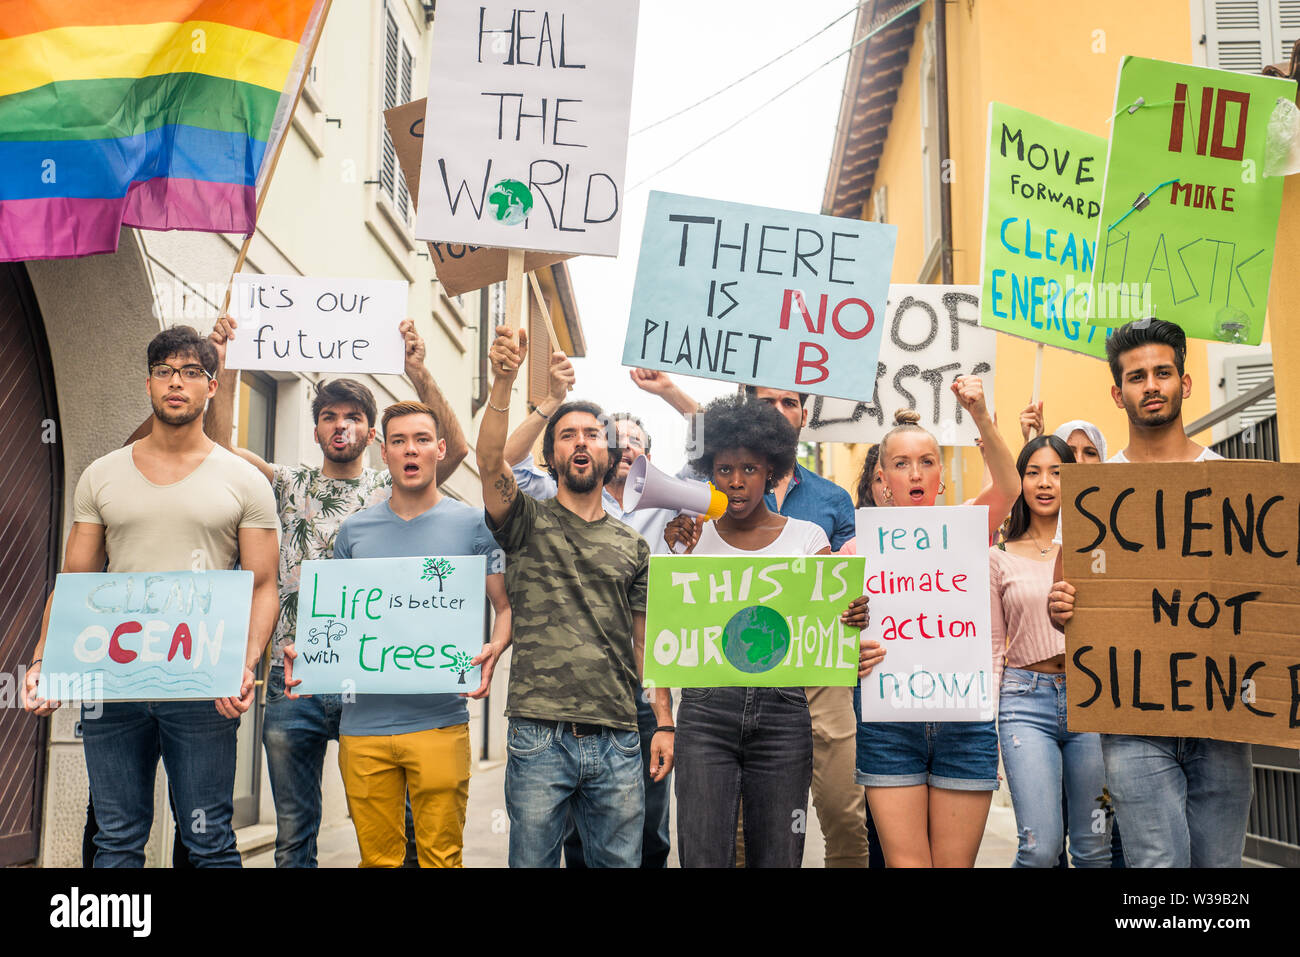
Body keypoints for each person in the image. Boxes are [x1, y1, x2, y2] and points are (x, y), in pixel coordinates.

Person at [202, 314, 466, 868]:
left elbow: (455, 447)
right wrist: (225, 368)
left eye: (353, 418)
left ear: (374, 434)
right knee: (294, 834)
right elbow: (219, 450)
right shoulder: (287, 483)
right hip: (292, 677)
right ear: (317, 429)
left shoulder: (395, 481)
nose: (340, 426)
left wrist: (419, 373)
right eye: (328, 417)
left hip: (375, 677)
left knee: (402, 828)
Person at [25, 326, 280, 867]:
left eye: (191, 372)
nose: (176, 382)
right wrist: (46, 658)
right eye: (165, 370)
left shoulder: (244, 481)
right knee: (116, 838)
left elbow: (263, 585)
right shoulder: (101, 475)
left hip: (204, 682)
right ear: (148, 383)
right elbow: (75, 581)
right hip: (114, 683)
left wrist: (245, 662)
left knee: (209, 842)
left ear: (211, 386)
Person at [631, 368, 867, 868]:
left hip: (784, 714)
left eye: (751, 470)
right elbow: (665, 635)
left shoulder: (808, 538)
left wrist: (851, 614)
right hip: (705, 716)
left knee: (777, 854)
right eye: (723, 470)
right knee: (703, 853)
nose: (736, 482)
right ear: (709, 473)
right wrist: (665, 722)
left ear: (772, 470)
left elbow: (831, 625)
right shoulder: (689, 539)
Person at [1049, 318, 1251, 868]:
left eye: (1163, 372)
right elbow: (1065, 591)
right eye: (1137, 377)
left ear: (1185, 384)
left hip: (1222, 717)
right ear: (1118, 394)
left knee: (1218, 874)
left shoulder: (1233, 483)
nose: (1152, 385)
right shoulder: (1093, 495)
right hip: (1133, 722)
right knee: (1157, 865)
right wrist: (1060, 606)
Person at [479, 327, 674, 868]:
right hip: (539, 736)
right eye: (568, 436)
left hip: (618, 737)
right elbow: (491, 458)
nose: (581, 442)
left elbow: (646, 643)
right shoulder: (523, 520)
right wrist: (526, 395)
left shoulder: (634, 546)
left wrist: (664, 720)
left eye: (592, 433)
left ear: (609, 453)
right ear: (552, 455)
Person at [283, 401, 509, 867]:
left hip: (441, 721)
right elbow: (338, 621)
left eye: (422, 440)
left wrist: (496, 646)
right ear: (383, 453)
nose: (411, 450)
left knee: (442, 859)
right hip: (362, 728)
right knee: (377, 863)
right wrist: (304, 654)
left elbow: (504, 607)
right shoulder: (355, 531)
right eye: (400, 441)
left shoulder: (472, 525)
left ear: (440, 450)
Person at [854, 377, 1019, 868]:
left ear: (941, 475)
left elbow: (1010, 486)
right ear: (883, 477)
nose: (915, 472)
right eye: (901, 463)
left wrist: (981, 415)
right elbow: (826, 635)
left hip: (965, 721)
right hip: (888, 724)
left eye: (926, 461)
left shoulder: (968, 525)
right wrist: (849, 652)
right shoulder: (855, 548)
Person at [991, 434, 1111, 867]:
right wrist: (988, 722)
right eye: (1032, 472)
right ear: (1020, 482)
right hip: (1025, 702)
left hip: (1093, 700)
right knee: (1039, 849)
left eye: (1057, 473)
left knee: (1095, 847)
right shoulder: (998, 555)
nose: (1045, 483)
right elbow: (991, 644)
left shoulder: (1100, 551)